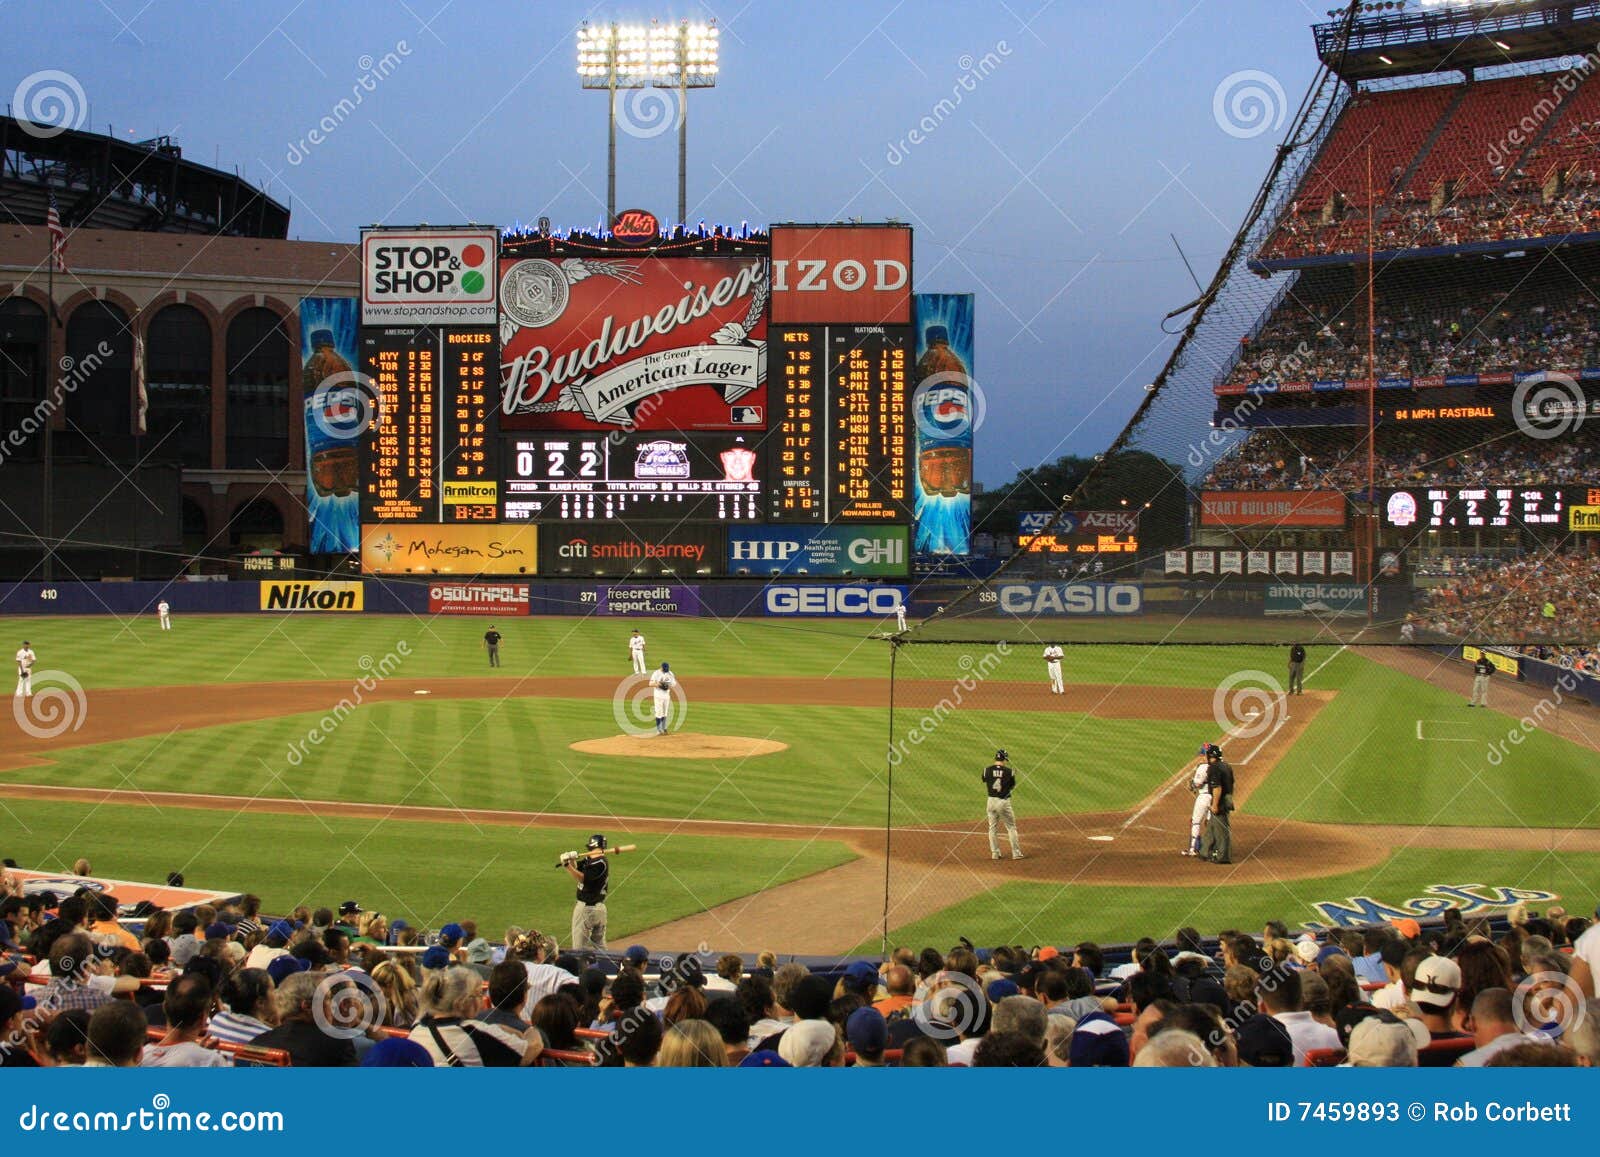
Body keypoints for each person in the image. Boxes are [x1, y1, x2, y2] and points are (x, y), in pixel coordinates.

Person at [564, 834, 610, 952]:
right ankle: (607, 968)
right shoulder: (592, 859)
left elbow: (583, 878)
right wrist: (572, 860)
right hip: (599, 909)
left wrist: (566, 866)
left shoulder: (599, 863)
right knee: (600, 946)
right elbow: (578, 869)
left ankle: (580, 970)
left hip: (586, 910)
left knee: (578, 949)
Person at [1195, 743, 1236, 864]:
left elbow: (1217, 788)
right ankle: (1204, 851)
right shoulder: (1226, 766)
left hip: (1220, 800)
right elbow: (1232, 784)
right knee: (1212, 826)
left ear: (1211, 756)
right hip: (1226, 798)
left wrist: (1215, 805)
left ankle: (1223, 857)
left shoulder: (1214, 768)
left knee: (1221, 829)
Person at [983, 748, 1023, 861]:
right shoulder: (1009, 772)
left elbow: (985, 779)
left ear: (995, 758)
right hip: (1003, 802)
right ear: (1005, 759)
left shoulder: (987, 770)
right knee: (1011, 827)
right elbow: (1012, 786)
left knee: (992, 828)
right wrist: (1012, 775)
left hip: (990, 801)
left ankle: (995, 853)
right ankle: (1016, 853)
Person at [1183, 758, 1210, 857]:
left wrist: (1192, 786)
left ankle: (1193, 849)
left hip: (1203, 797)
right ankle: (1212, 848)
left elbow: (1197, 784)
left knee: (1195, 822)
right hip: (1215, 798)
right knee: (1210, 823)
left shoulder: (1203, 767)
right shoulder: (1219, 766)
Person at [650, 662, 677, 735]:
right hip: (658, 695)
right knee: (659, 712)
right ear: (661, 667)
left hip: (666, 696)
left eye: (667, 669)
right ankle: (659, 730)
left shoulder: (670, 673)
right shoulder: (656, 673)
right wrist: (658, 684)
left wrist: (667, 685)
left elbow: (674, 684)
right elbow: (650, 683)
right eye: (664, 669)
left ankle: (664, 728)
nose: (666, 670)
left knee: (665, 713)